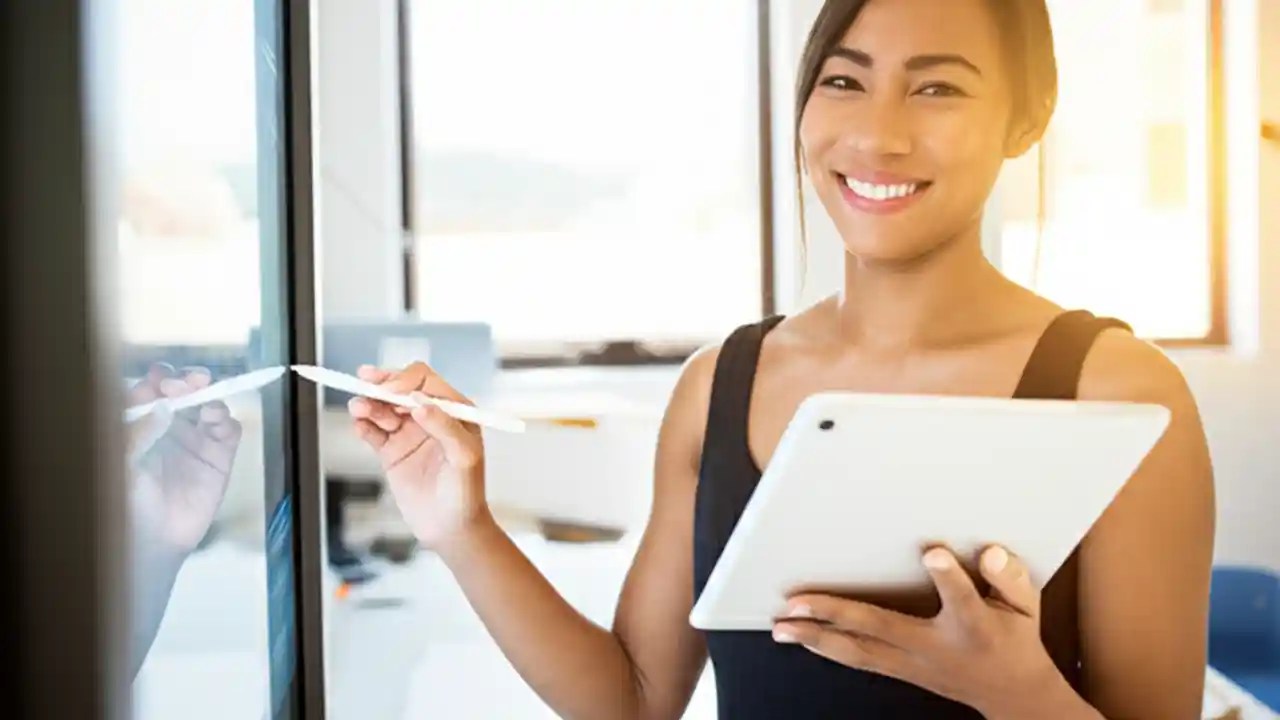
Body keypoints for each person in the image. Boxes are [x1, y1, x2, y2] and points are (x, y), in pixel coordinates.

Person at [347, 0, 1217, 716]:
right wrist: (461, 529)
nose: (877, 135)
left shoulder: (1118, 393)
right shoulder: (718, 385)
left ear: (1025, 118)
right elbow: (636, 701)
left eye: (938, 88)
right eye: (843, 81)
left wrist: (1019, 695)